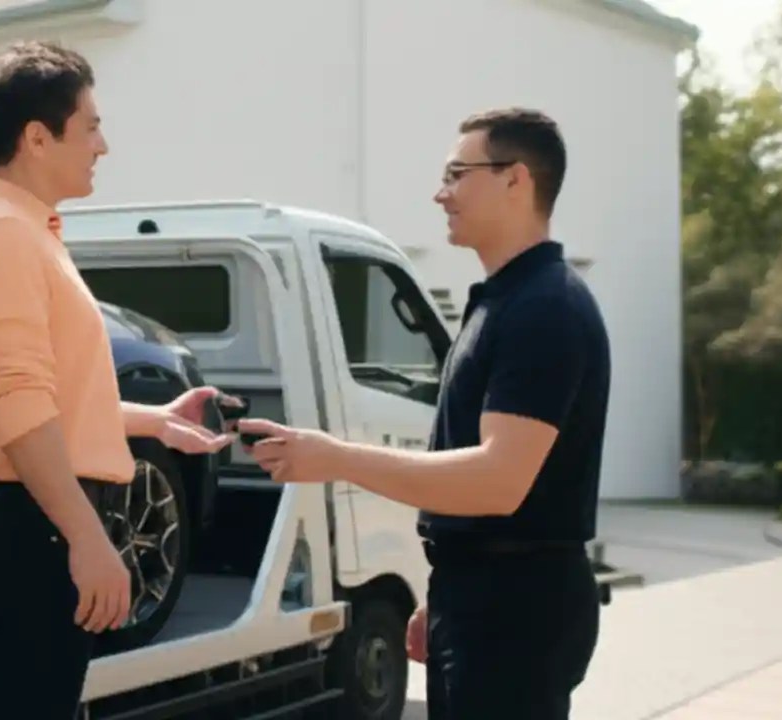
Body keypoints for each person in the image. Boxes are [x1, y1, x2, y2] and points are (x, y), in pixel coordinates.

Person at [238, 107, 611, 720]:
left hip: (515, 611)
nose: (441, 194)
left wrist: (336, 458)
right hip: (484, 596)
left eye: (457, 175)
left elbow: (498, 481)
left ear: (516, 179)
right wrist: (444, 592)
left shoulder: (546, 308)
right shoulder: (506, 300)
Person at [0, 41, 233, 720]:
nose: (103, 145)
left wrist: (155, 422)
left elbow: (47, 400)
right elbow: (16, 407)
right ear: (37, 138)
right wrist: (87, 537)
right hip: (25, 527)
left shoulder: (22, 230)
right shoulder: (5, 236)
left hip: (28, 522)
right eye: (91, 126)